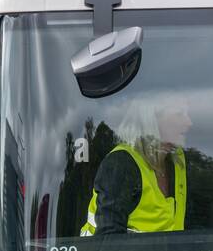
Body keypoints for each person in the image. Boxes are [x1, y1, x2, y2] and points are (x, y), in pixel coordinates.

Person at [81, 96, 191, 236]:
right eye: (180, 114)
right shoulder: (121, 165)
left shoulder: (177, 161)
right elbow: (108, 242)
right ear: (152, 119)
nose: (189, 123)